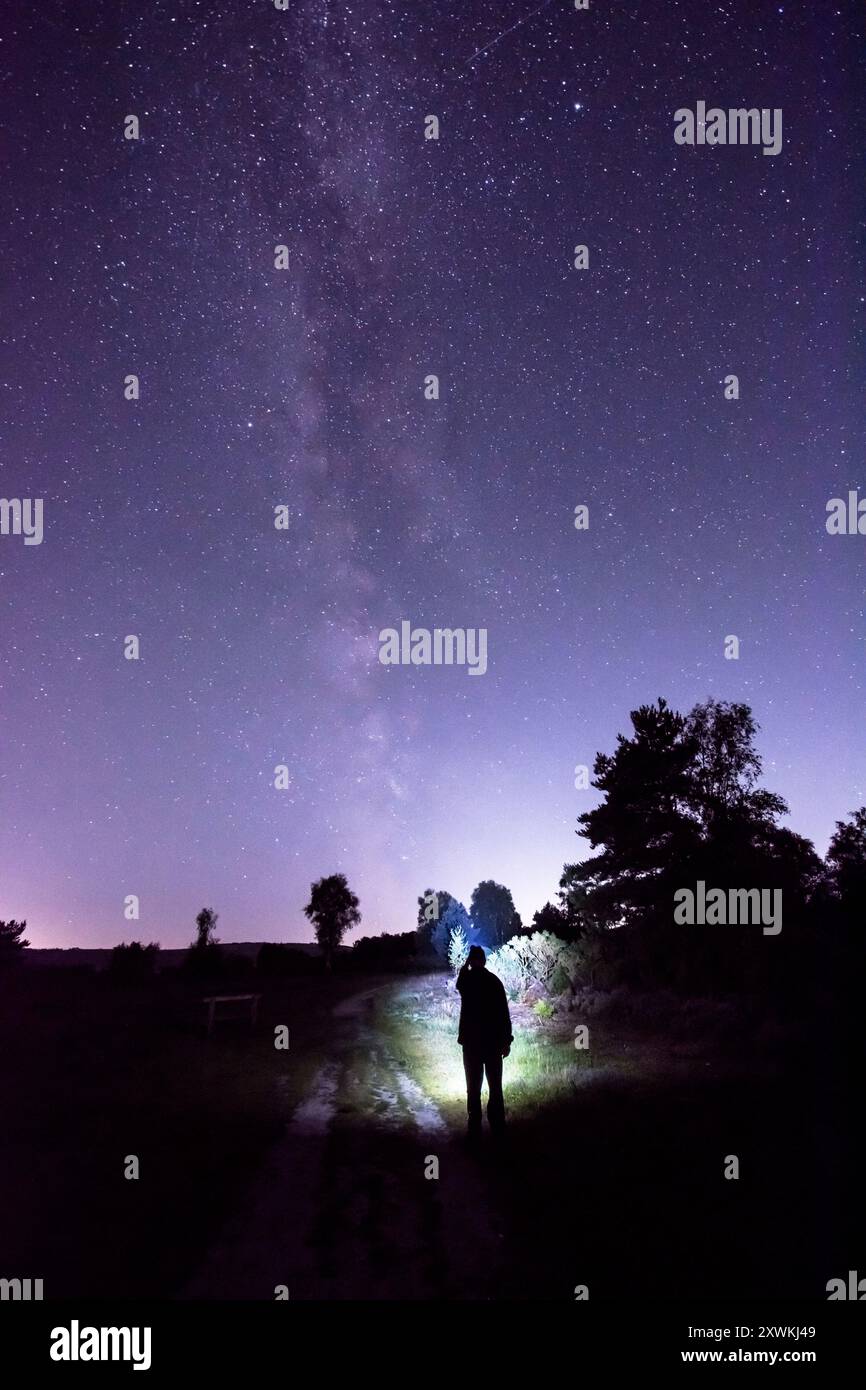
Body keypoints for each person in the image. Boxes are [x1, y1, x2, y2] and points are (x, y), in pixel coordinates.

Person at [456, 945, 513, 1141]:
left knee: (473, 1087)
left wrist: (465, 964)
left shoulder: (467, 981)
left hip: (472, 1045)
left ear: (471, 961)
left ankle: (474, 1129)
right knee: (495, 1086)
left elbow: (459, 983)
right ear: (485, 961)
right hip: (493, 1043)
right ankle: (498, 1127)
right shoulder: (494, 981)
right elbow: (504, 1014)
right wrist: (507, 1041)